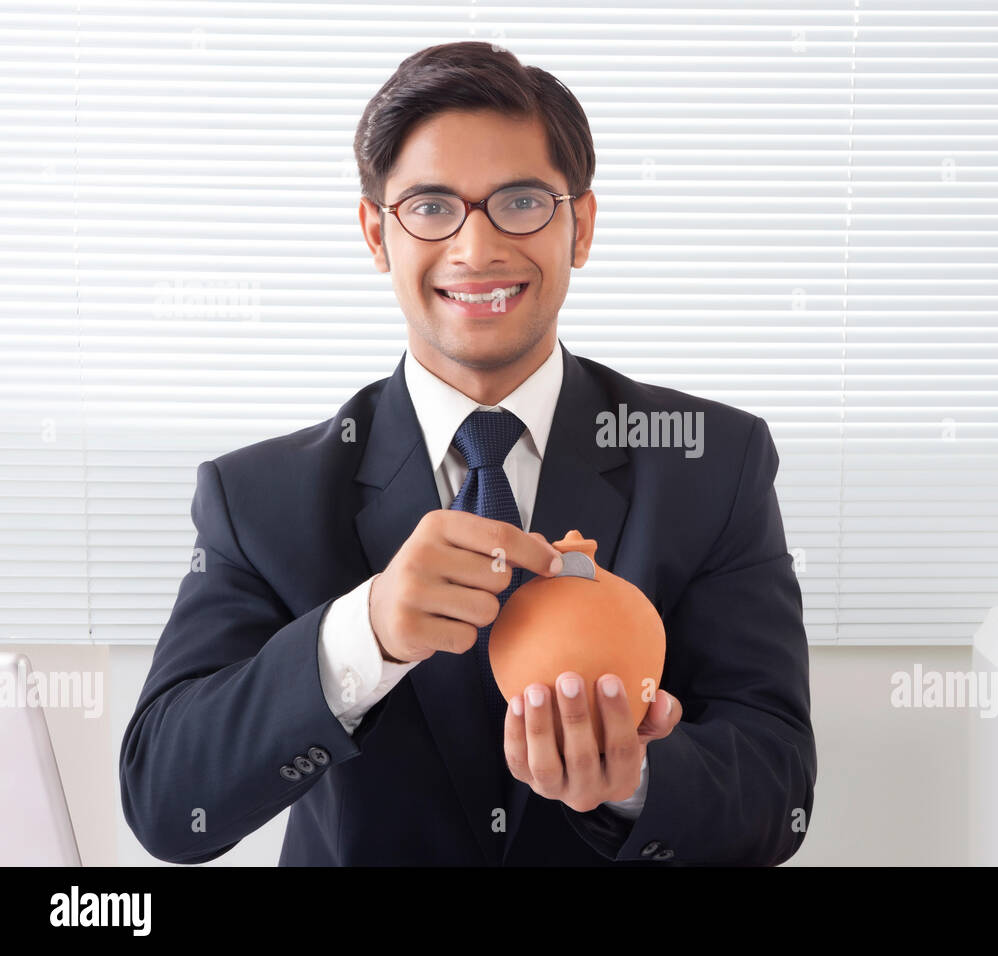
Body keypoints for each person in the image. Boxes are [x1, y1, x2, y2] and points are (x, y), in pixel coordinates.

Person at [119, 41, 815, 866]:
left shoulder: (712, 462)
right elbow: (167, 803)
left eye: (520, 201)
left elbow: (780, 791)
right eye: (430, 206)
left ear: (580, 226)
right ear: (377, 233)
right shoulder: (259, 497)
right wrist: (364, 635)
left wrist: (631, 783)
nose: (476, 249)